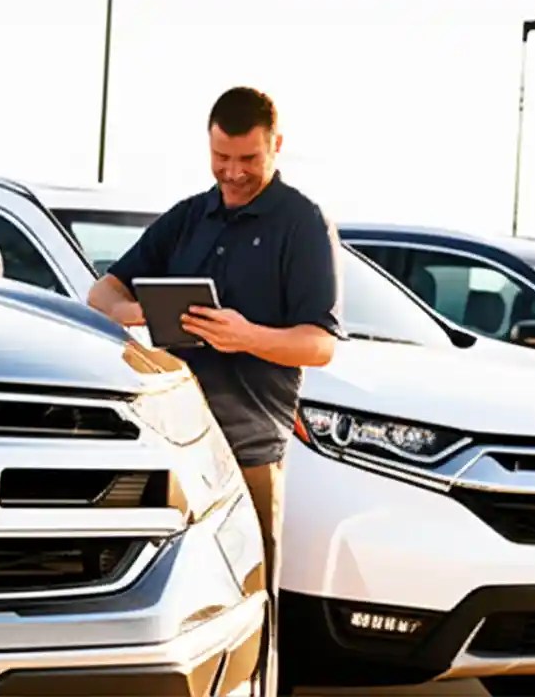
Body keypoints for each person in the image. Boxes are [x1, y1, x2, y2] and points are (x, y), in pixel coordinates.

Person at [86, 85, 342, 695]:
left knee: (252, 599)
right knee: (179, 603)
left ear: (276, 146)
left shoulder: (301, 222)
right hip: (175, 446)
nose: (232, 172)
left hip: (250, 453)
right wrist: (143, 311)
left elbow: (321, 344)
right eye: (221, 157)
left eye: (248, 160)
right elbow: (101, 295)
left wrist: (246, 335)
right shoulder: (188, 217)